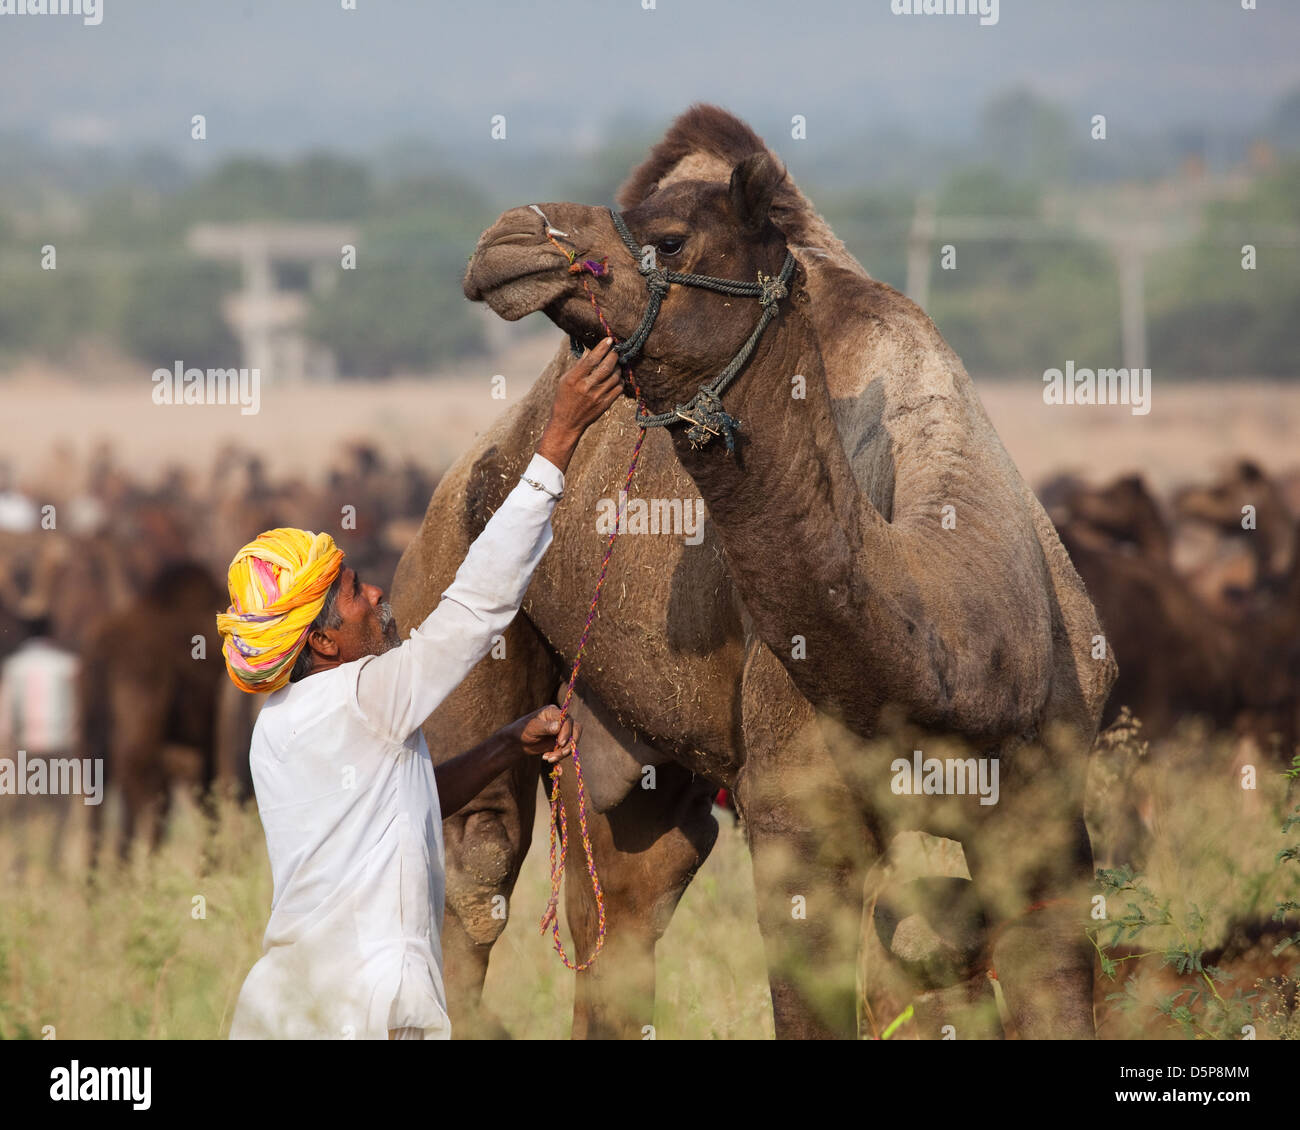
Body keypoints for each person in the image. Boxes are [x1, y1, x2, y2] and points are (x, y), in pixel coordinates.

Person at [217, 339, 622, 1039]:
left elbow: (400, 804)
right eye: (350, 593)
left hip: (283, 1012)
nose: (375, 592)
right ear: (318, 640)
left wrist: (505, 745)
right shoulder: (366, 699)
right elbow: (475, 608)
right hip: (369, 1012)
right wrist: (558, 439)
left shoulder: (280, 726)